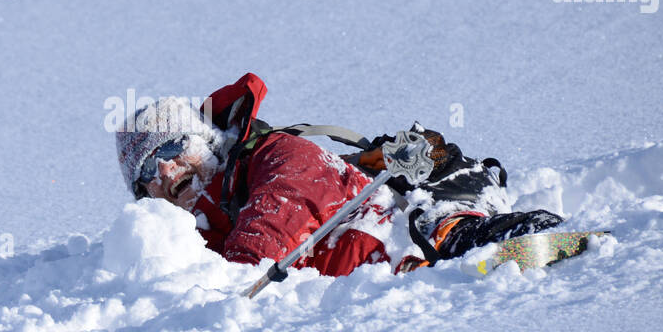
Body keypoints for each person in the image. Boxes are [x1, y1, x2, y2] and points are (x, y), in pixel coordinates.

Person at [114, 72, 563, 276]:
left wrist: (219, 294)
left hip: (416, 239)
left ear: (207, 141)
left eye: (172, 148)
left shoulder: (278, 155)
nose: (166, 169)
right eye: (147, 171)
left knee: (445, 236)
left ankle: (530, 240)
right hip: (388, 286)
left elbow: (274, 224)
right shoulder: (196, 237)